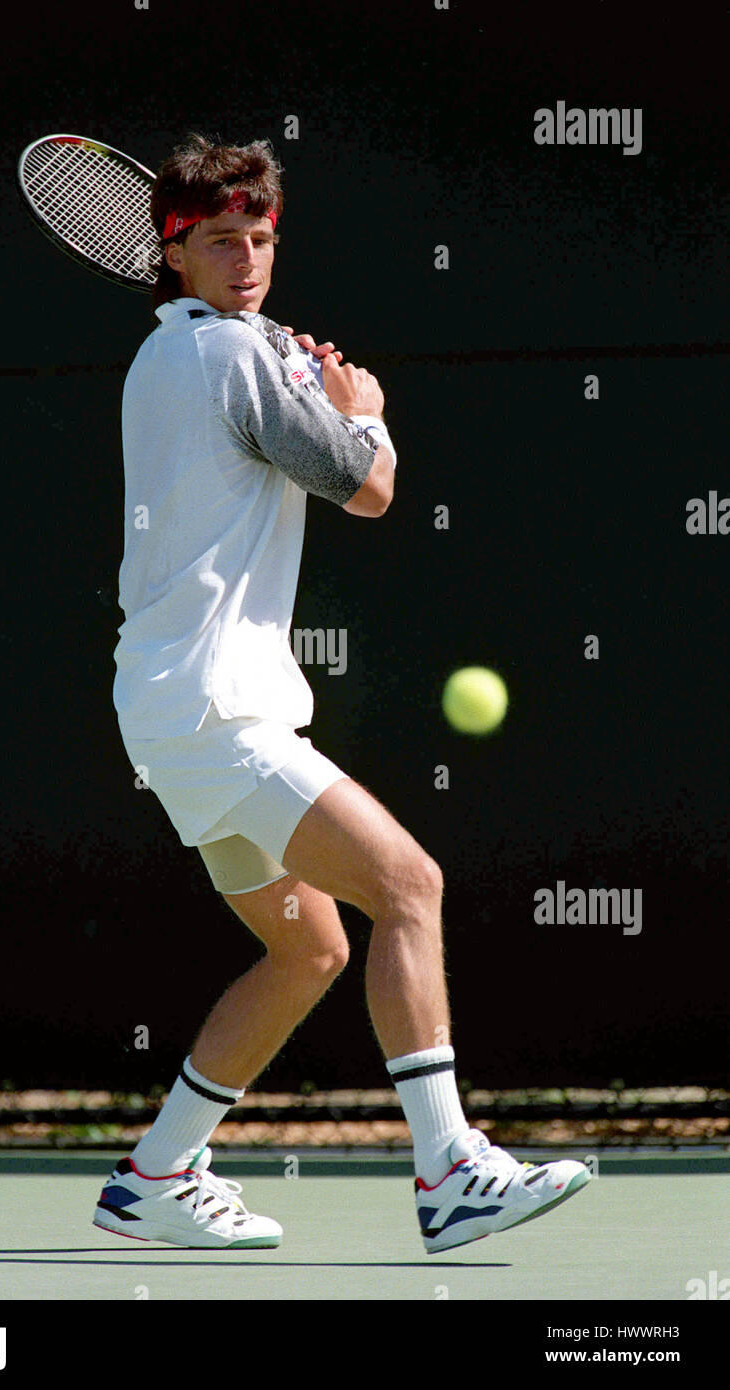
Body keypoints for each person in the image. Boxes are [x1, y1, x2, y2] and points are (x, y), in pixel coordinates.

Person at [93, 133, 590, 1253]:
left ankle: (155, 1171)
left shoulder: (174, 356)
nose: (246, 259)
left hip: (172, 711)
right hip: (218, 713)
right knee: (409, 886)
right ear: (169, 253)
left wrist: (299, 381)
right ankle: (450, 1170)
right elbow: (369, 486)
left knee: (308, 947)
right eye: (220, 241)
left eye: (260, 238)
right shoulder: (225, 356)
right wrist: (358, 407)